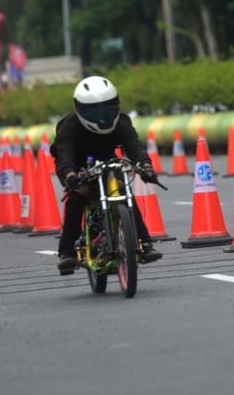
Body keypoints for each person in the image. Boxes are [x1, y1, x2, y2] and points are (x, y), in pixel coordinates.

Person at [52, 75, 162, 273]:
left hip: (108, 160)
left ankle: (145, 243)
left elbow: (134, 148)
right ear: (78, 109)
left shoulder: (122, 123)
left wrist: (146, 166)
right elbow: (64, 154)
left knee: (122, 190)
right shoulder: (68, 127)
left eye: (107, 108)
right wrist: (70, 175)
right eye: (92, 111)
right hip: (74, 166)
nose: (101, 116)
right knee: (80, 193)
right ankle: (66, 252)